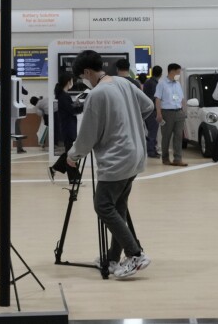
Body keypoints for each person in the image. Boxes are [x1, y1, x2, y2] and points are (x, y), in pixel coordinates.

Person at [62, 50, 154, 280]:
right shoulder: (123, 83)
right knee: (118, 206)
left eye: (82, 77)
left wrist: (73, 155)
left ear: (87, 72)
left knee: (102, 205)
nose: (84, 81)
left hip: (117, 157)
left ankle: (136, 254)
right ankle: (113, 258)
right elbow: (148, 106)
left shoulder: (97, 93)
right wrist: (129, 120)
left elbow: (87, 135)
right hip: (135, 155)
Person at [154, 63, 187, 167]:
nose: (179, 74)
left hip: (179, 112)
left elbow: (181, 98)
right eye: (178, 72)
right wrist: (159, 113)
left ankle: (178, 158)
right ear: (172, 71)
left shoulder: (177, 84)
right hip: (167, 113)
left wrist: (184, 111)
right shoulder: (162, 84)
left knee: (178, 136)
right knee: (166, 136)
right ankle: (165, 158)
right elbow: (157, 99)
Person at [53, 70, 79, 153]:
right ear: (68, 82)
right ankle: (62, 166)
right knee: (69, 151)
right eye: (72, 81)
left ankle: (59, 166)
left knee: (69, 151)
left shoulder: (63, 95)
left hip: (67, 126)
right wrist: (82, 105)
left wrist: (77, 104)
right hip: (68, 127)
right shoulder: (64, 96)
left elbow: (70, 108)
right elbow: (71, 110)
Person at [141, 65, 162, 158]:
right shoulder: (155, 84)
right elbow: (155, 98)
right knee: (153, 132)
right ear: (160, 74)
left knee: (150, 131)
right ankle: (151, 151)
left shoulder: (147, 82)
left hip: (146, 110)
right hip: (153, 110)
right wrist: (158, 111)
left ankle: (152, 150)